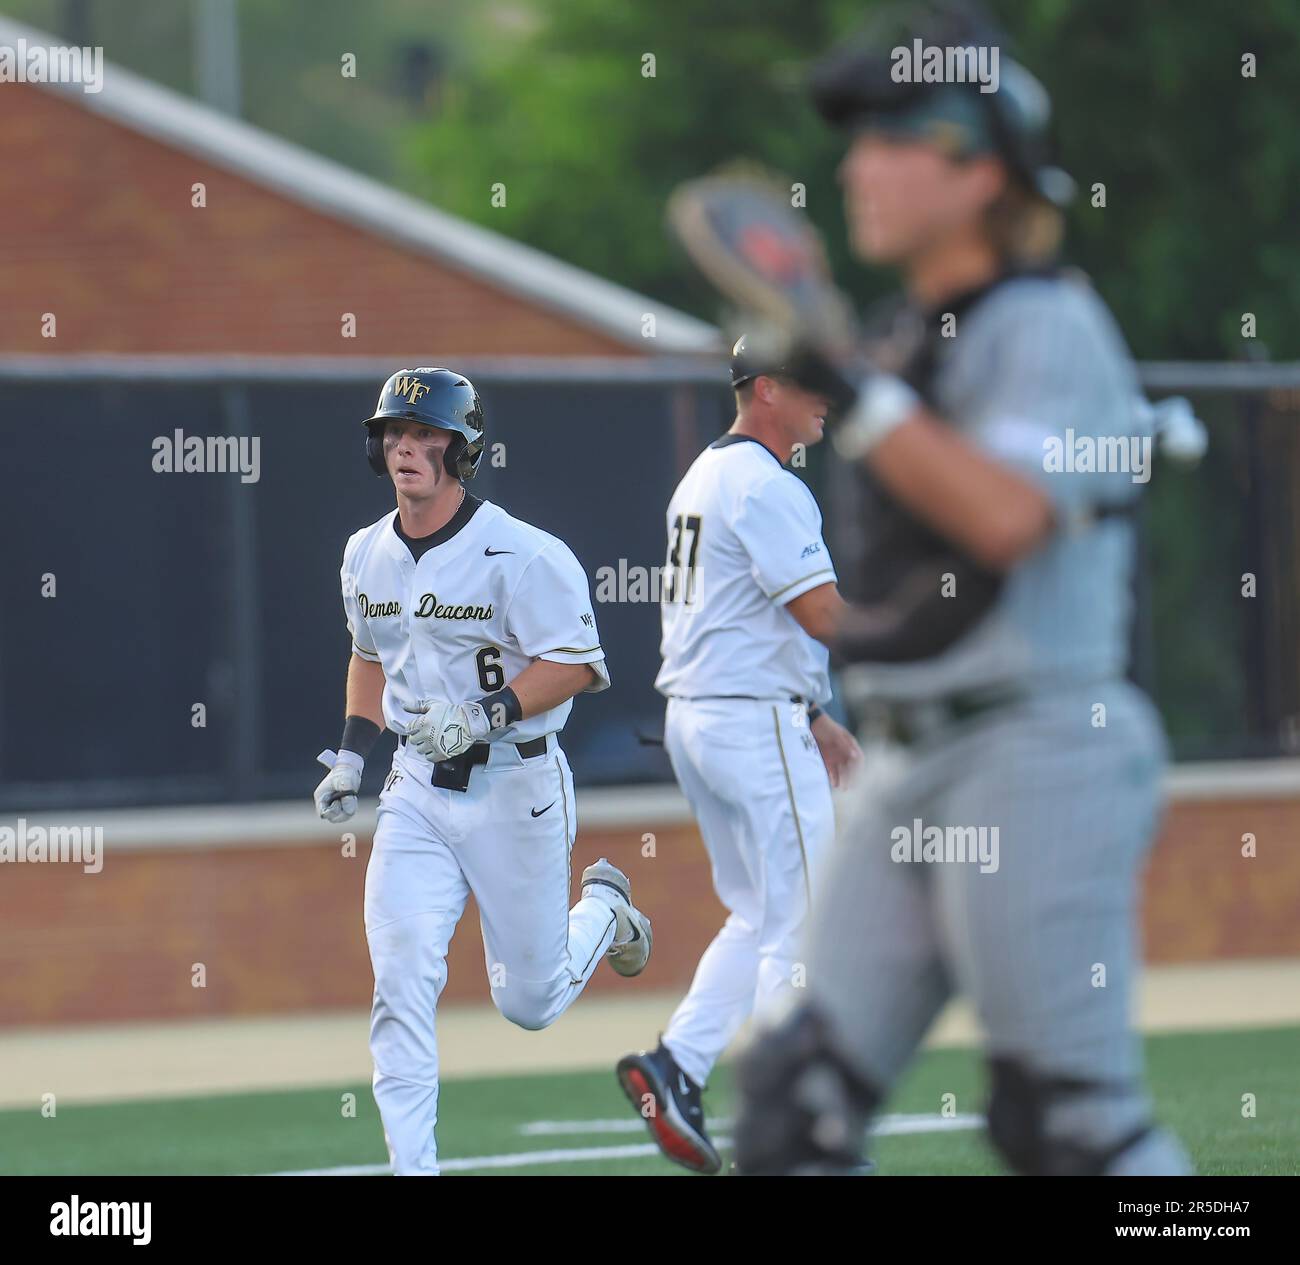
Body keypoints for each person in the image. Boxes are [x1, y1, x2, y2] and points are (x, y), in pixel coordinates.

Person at [733, 2, 1191, 1176]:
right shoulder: (905, 331)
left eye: (892, 136)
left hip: (1034, 747)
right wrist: (851, 362)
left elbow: (1005, 514)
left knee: (1068, 1124)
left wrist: (846, 378)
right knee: (794, 1112)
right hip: (908, 758)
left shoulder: (1046, 322)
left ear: (976, 166)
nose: (856, 165)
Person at [312, 366, 651, 1176]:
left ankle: (605, 908)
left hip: (516, 784)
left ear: (464, 450)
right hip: (418, 791)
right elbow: (368, 657)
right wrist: (353, 758)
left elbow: (577, 663)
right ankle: (413, 1169)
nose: (408, 448)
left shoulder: (523, 552)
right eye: (396, 433)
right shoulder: (365, 553)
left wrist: (484, 714)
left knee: (527, 1003)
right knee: (400, 981)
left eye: (427, 435)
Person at [616, 337, 861, 1173]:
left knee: (760, 916)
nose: (826, 398)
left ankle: (676, 1064)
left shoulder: (705, 474)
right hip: (750, 726)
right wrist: (927, 642)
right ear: (766, 390)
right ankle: (799, 1128)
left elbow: (754, 618)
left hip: (702, 720)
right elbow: (824, 613)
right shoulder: (763, 480)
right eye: (812, 384)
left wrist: (816, 710)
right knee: (807, 925)